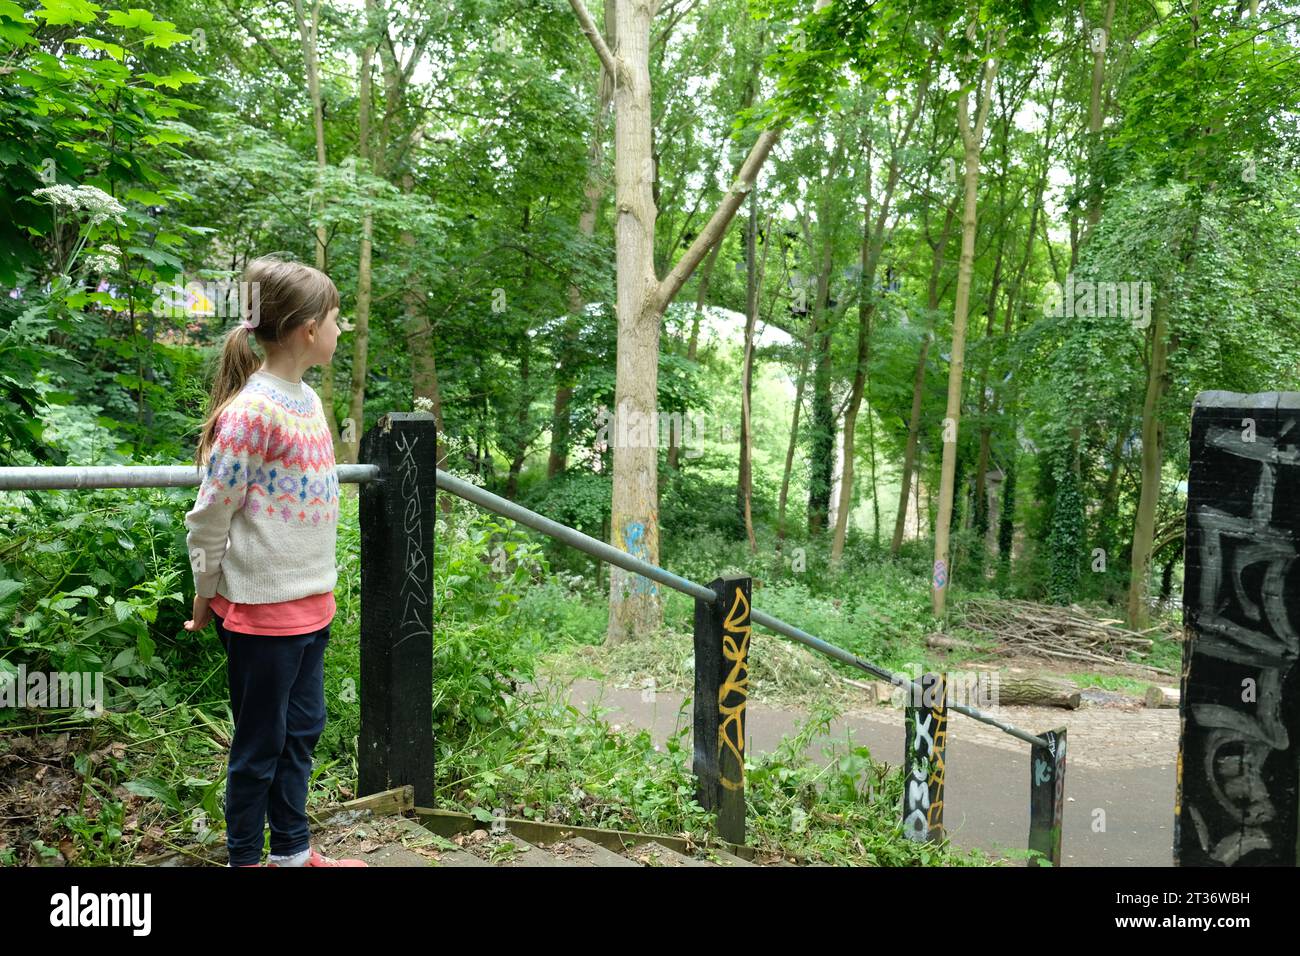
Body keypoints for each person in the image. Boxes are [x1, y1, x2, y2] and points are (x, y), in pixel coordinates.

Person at [182, 255, 366, 868]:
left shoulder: (307, 400)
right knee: (259, 745)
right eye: (339, 319)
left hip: (312, 603)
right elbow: (212, 514)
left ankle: (291, 853)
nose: (346, 331)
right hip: (262, 614)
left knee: (303, 733)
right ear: (308, 329)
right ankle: (244, 860)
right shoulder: (250, 412)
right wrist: (205, 591)